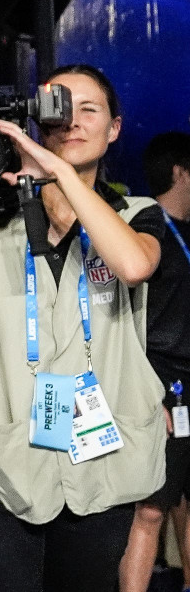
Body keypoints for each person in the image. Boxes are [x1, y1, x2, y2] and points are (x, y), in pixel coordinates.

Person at [0, 65, 168, 592]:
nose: (73, 120)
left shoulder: (139, 215)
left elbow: (132, 266)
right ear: (37, 121)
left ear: (115, 129)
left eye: (90, 109)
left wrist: (57, 173)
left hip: (100, 467)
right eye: (58, 107)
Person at [119, 131, 190, 592]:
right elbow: (123, 319)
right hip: (159, 379)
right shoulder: (148, 225)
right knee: (150, 507)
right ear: (182, 172)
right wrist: (145, 391)